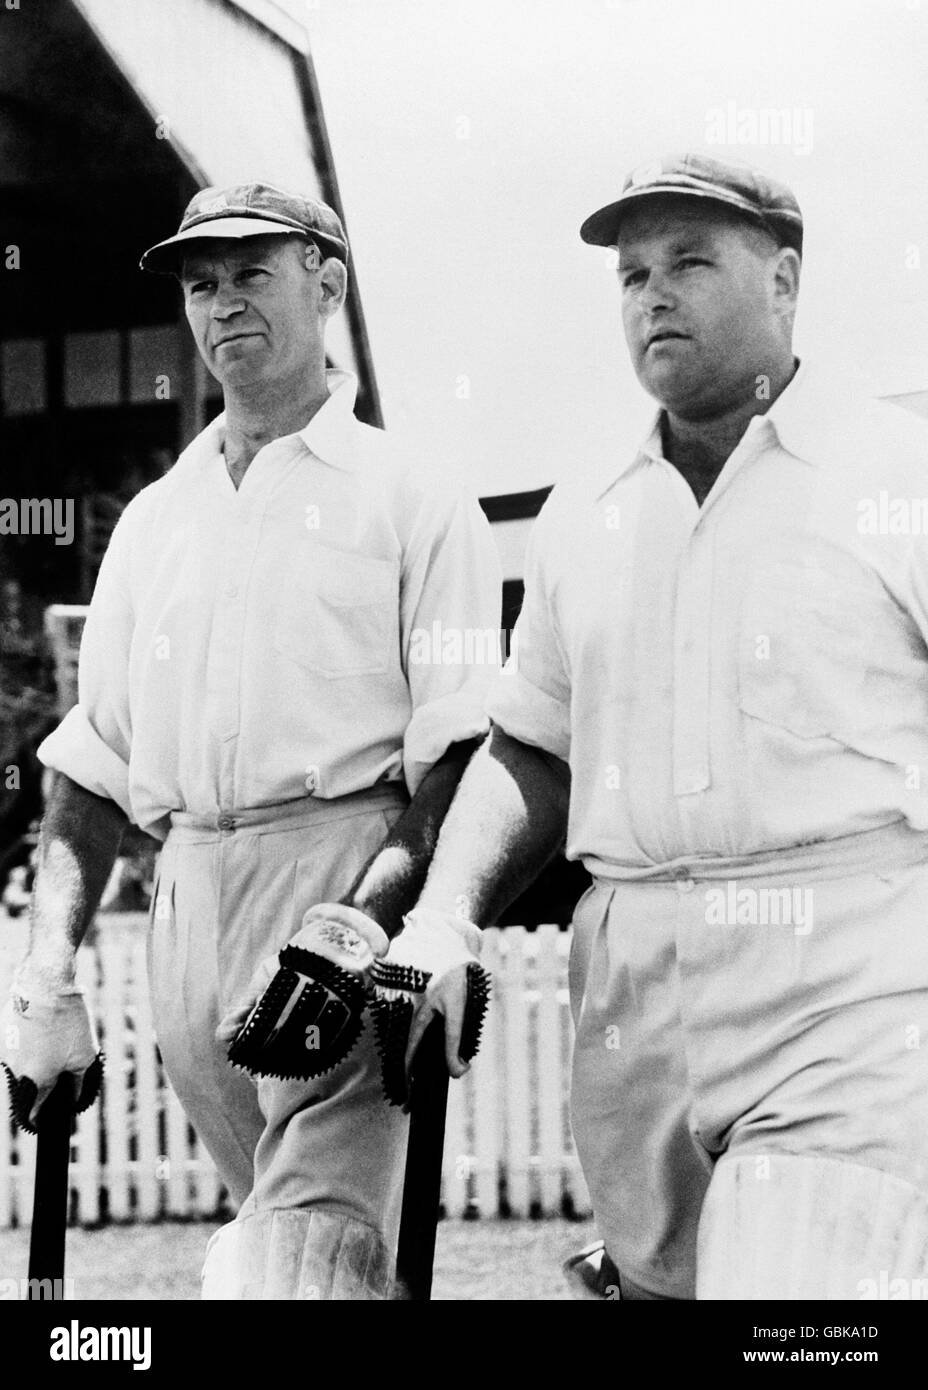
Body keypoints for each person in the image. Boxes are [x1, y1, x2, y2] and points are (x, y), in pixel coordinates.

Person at [403, 153, 928, 1300]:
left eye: (691, 260)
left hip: (845, 966)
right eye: (632, 273)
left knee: (802, 1292)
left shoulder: (898, 471)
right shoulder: (584, 503)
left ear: (785, 280)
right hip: (631, 992)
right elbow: (533, 741)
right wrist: (445, 917)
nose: (652, 293)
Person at [0, 181, 500, 1300]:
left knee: (300, 1267)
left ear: (325, 284)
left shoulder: (411, 495)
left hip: (339, 889)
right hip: (184, 899)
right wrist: (44, 970)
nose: (223, 302)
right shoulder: (155, 518)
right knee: (300, 1254)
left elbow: (463, 752)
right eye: (201, 282)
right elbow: (91, 769)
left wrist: (361, 923)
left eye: (252, 272)